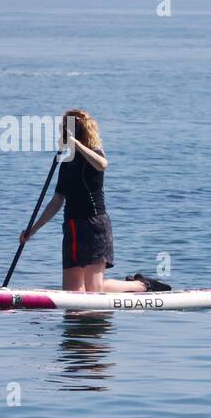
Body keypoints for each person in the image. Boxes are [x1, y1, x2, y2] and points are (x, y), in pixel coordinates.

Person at [18, 109, 166, 293]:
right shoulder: (65, 164)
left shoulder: (94, 154)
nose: (60, 135)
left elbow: (102, 164)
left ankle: (141, 285)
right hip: (71, 227)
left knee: (94, 292)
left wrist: (76, 145)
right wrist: (33, 230)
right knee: (73, 294)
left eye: (64, 130)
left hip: (93, 226)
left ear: (76, 133)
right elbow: (57, 201)